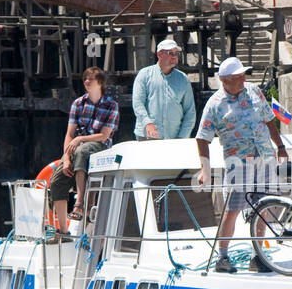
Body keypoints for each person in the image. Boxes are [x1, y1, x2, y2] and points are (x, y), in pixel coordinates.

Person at [195, 57, 288, 273]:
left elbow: (268, 120)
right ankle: (223, 258)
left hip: (264, 158)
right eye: (238, 77)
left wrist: (281, 147)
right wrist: (205, 169)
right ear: (224, 80)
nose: (243, 79)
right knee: (233, 210)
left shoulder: (254, 91)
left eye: (243, 75)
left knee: (263, 208)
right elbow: (202, 138)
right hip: (238, 164)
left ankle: (258, 256)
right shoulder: (215, 104)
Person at [49, 67, 118, 240]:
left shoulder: (111, 105)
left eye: (91, 79)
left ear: (100, 83)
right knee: (56, 181)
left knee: (82, 150)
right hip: (76, 148)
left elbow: (104, 135)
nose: (87, 81)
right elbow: (69, 134)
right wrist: (65, 159)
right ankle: (63, 231)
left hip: (100, 147)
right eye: (85, 78)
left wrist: (81, 140)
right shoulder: (78, 103)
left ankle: (79, 203)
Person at [132, 38, 196, 141]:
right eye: (170, 53)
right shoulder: (144, 75)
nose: (174, 56)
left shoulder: (183, 79)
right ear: (159, 54)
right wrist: (147, 123)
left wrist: (183, 137)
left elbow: (190, 111)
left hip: (174, 138)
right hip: (148, 137)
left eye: (176, 53)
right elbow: (138, 103)